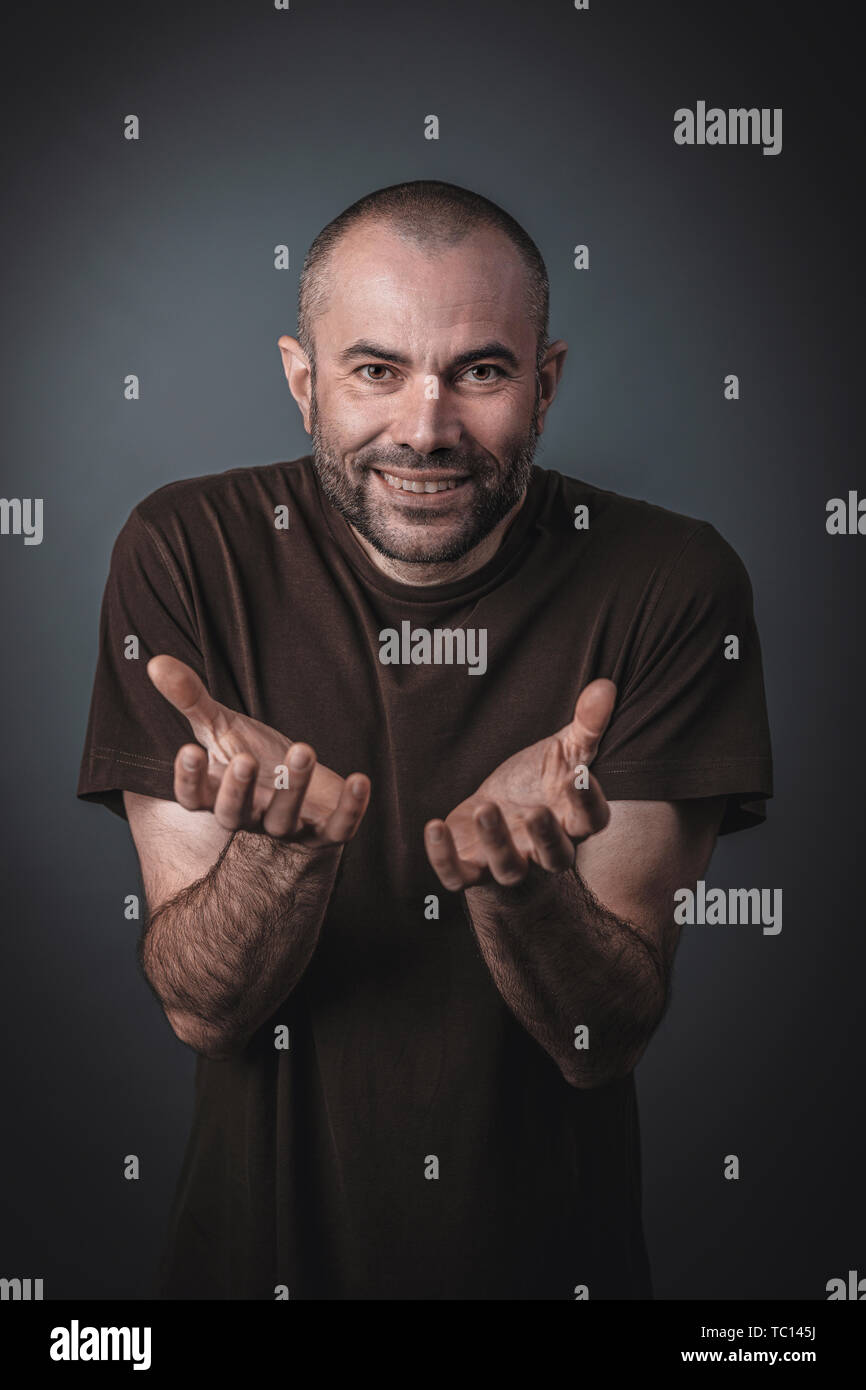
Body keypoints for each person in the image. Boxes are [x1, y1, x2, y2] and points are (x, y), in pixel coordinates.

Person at [77, 180, 773, 1300]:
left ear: (542, 385)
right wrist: (278, 852)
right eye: (374, 369)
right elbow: (202, 1008)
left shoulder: (669, 584)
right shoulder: (184, 551)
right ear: (303, 382)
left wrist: (522, 886)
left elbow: (603, 1037)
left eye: (479, 371)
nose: (425, 427)